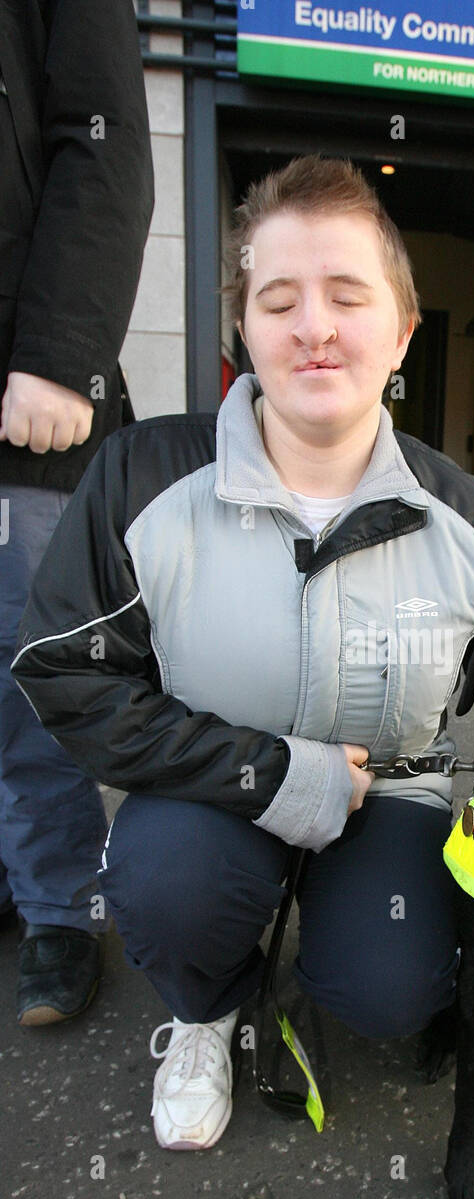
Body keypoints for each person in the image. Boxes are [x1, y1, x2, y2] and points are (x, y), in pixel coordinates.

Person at [12, 155, 474, 1148]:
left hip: (387, 792)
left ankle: (327, 948)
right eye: (278, 298)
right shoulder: (141, 476)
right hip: (212, 795)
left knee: (392, 989)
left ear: (402, 330)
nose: (314, 326)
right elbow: (64, 668)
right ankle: (209, 1005)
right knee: (165, 885)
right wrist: (267, 770)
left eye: (348, 294)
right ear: (244, 327)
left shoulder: (467, 519)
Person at [0, 0, 154, 1023]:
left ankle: (60, 903)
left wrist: (61, 357)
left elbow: (102, 139)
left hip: (24, 403)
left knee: (31, 676)